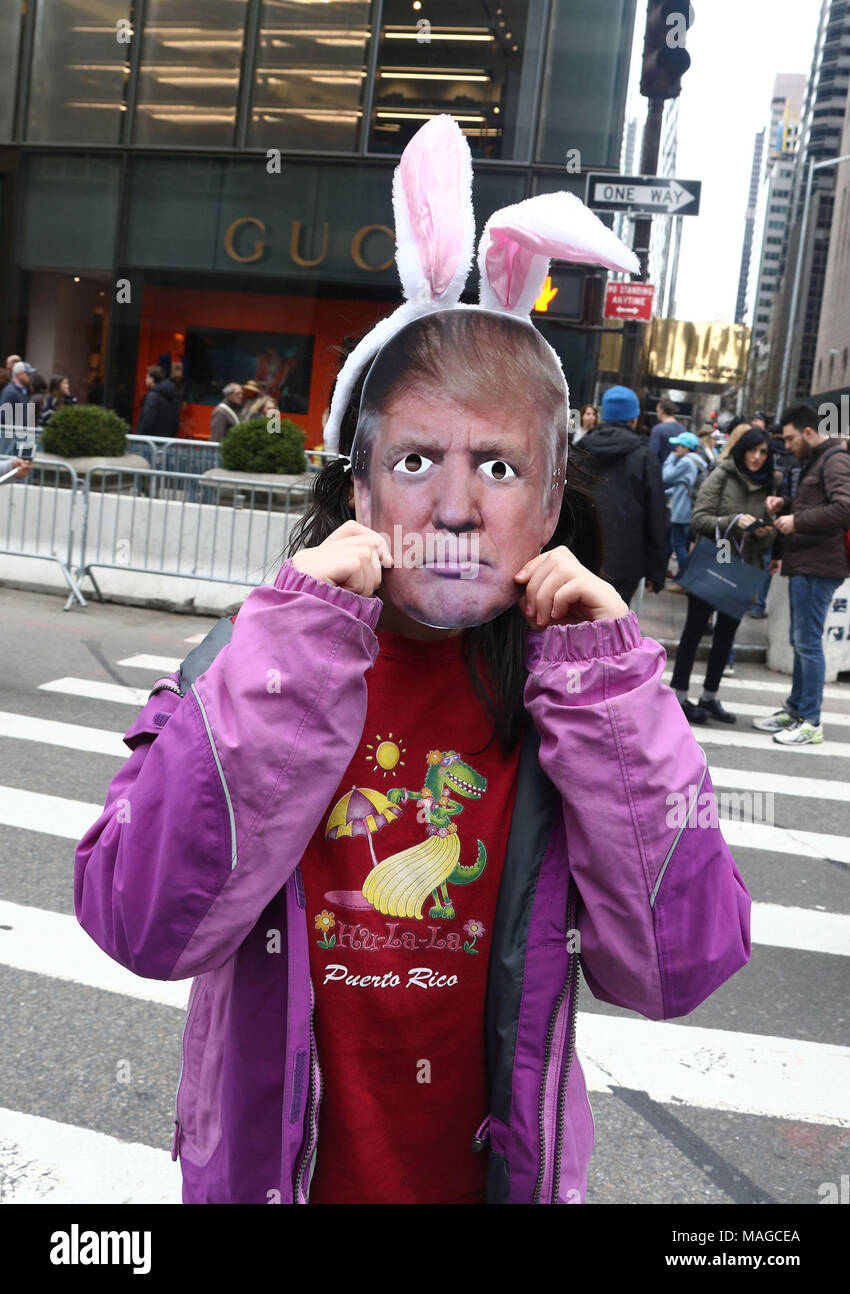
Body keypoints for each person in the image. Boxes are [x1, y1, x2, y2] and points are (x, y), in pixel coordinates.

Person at [74, 114, 750, 1208]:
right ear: (360, 487)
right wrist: (292, 641)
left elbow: (678, 964)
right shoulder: (250, 658)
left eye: (496, 463)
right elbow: (141, 920)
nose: (453, 504)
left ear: (548, 501)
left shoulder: (578, 691)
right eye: (417, 457)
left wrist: (611, 689)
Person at [753, 404, 850, 746]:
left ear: (809, 432)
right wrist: (788, 506)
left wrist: (797, 521)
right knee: (801, 641)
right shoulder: (816, 459)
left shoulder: (834, 459)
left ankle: (810, 719)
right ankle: (796, 710)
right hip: (808, 562)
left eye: (791, 438)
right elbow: (818, 504)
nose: (787, 446)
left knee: (808, 643)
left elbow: (843, 508)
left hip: (819, 566)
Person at [670, 428, 774, 724]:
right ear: (741, 450)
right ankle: (678, 695)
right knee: (694, 631)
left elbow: (768, 538)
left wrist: (765, 532)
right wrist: (733, 521)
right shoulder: (722, 474)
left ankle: (709, 696)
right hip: (714, 562)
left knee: (726, 636)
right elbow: (699, 519)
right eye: (753, 450)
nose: (757, 457)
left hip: (743, 568)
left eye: (763, 452)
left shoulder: (770, 485)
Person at [575, 384, 668, 605]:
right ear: (634, 419)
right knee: (615, 629)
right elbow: (657, 517)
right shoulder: (644, 457)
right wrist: (657, 571)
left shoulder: (579, 450)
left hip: (581, 559)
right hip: (626, 564)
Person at [662, 431, 706, 591]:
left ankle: (685, 580)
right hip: (687, 508)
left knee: (678, 545)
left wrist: (671, 458)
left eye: (679, 445)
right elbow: (682, 484)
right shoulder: (697, 461)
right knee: (680, 544)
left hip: (681, 510)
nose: (676, 448)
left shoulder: (686, 461)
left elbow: (666, 475)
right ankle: (684, 579)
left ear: (686, 448)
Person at [135, 365, 180, 438]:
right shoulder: (174, 397)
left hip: (149, 443)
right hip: (167, 442)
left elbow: (147, 422)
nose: (145, 379)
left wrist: (139, 437)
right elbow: (176, 423)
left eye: (147, 377)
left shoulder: (152, 396)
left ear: (152, 379)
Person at [0, 361, 35, 454]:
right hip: (13, 438)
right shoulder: (10, 391)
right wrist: (17, 429)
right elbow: (3, 414)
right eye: (28, 373)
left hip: (22, 436)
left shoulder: (25, 390)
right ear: (19, 374)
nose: (30, 376)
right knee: (12, 462)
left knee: (23, 461)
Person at [649, 397, 681, 466]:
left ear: (661, 411)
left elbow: (652, 456)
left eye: (657, 410)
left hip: (660, 473)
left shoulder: (657, 429)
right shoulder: (683, 430)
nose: (657, 413)